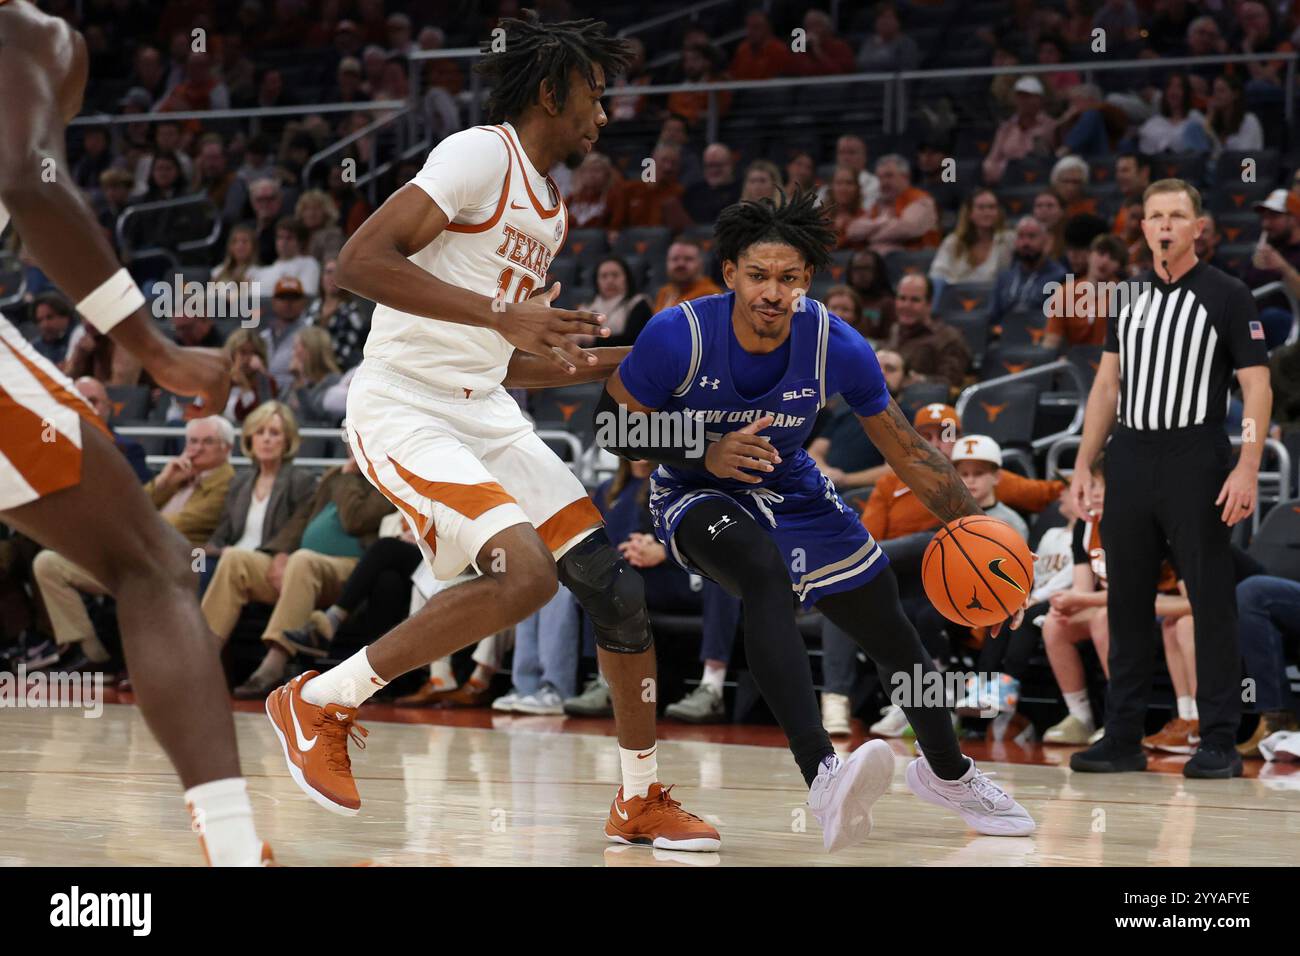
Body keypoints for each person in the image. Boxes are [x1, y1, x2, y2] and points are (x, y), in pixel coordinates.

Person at [267, 12, 720, 850]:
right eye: (595, 95)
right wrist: (503, 315)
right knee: (526, 578)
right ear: (552, 91)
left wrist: (637, 355)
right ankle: (322, 697)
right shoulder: (481, 153)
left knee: (612, 591)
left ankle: (638, 796)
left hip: (484, 407)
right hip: (406, 404)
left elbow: (507, 357)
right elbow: (359, 262)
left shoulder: (551, 209)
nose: (605, 115)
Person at [599, 189, 1036, 850]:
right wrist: (703, 448)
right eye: (758, 276)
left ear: (807, 281)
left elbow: (911, 452)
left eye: (788, 278)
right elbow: (610, 425)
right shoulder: (678, 332)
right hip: (695, 487)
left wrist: (988, 542)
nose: (772, 291)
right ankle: (823, 774)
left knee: (888, 626)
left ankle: (948, 772)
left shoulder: (837, 344)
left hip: (790, 481)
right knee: (764, 576)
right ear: (730, 275)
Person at [0, 5, 265, 857]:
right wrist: (150, 346)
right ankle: (231, 847)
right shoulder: (29, 32)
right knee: (149, 565)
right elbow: (28, 177)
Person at [1068, 178, 1273, 778]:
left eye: (1176, 215)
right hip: (1130, 454)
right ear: (1144, 226)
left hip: (1197, 457)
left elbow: (1257, 387)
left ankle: (1217, 740)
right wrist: (1084, 462)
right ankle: (1123, 736)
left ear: (1197, 227)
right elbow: (1107, 386)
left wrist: (1248, 465)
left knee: (1208, 602)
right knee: (1126, 601)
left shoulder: (1230, 294)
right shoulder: (1127, 296)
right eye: (1154, 215)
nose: (1164, 225)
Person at [884, 274, 971, 393]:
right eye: (902, 298)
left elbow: (953, 384)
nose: (906, 305)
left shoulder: (948, 337)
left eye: (915, 300)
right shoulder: (894, 329)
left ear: (929, 304)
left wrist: (921, 380)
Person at [1043, 233, 1129, 351]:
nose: (1104, 261)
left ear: (1120, 267)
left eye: (1113, 258)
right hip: (1071, 363)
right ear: (1089, 255)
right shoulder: (1065, 292)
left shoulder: (1126, 297)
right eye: (1100, 253)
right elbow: (1051, 342)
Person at [928, 189, 1014, 298]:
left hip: (993, 300)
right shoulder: (953, 242)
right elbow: (937, 273)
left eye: (992, 207)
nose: (987, 213)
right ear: (969, 213)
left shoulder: (1008, 240)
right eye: (981, 208)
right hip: (956, 300)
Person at [304, 257, 371, 371]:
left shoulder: (351, 312)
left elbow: (347, 351)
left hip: (337, 370)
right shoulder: (313, 308)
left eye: (336, 272)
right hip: (309, 367)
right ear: (321, 278)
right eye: (328, 272)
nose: (332, 277)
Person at [575, 257, 652, 348]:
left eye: (615, 275)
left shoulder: (639, 303)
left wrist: (592, 340)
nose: (610, 281)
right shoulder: (586, 307)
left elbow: (634, 340)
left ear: (626, 278)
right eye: (604, 276)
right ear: (597, 281)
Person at [652, 239, 721, 312]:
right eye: (675, 259)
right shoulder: (663, 292)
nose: (680, 264)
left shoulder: (710, 296)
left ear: (701, 263)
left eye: (688, 259)